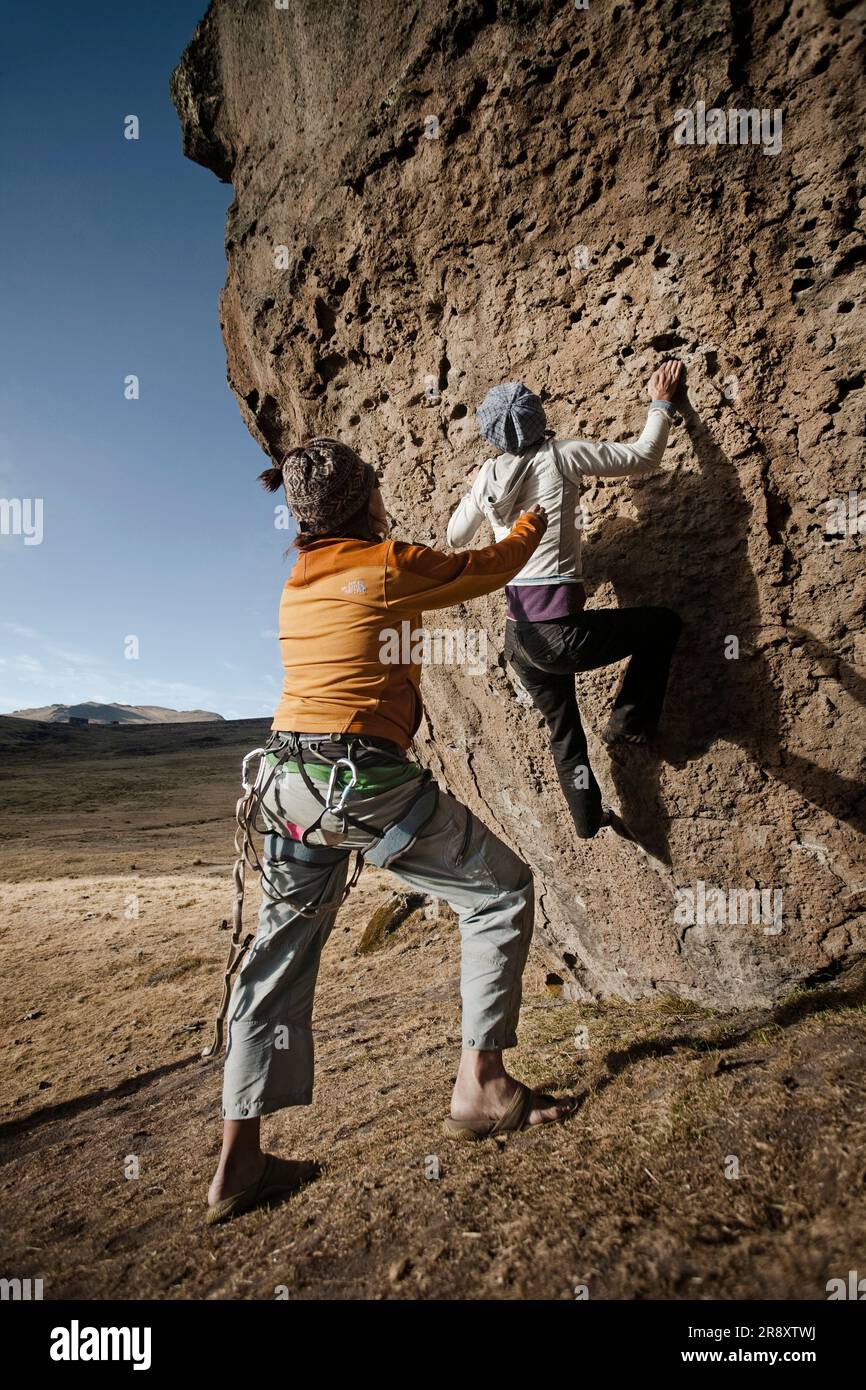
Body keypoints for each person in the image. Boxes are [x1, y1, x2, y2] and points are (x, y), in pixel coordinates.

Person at [206, 437, 573, 1224]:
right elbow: (489, 569)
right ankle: (482, 1086)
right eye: (376, 489)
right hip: (358, 781)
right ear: (366, 500)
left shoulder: (298, 581)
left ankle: (238, 1162)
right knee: (499, 890)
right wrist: (536, 513)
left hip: (286, 786)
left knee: (276, 956)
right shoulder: (386, 563)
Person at [446, 362, 684, 840]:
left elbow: (455, 536)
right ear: (538, 416)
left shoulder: (487, 477)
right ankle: (627, 723)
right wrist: (661, 403)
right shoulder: (562, 456)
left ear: (492, 436)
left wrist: (479, 488)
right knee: (663, 625)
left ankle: (587, 820)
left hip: (519, 638)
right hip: (561, 635)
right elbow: (645, 457)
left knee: (564, 732)